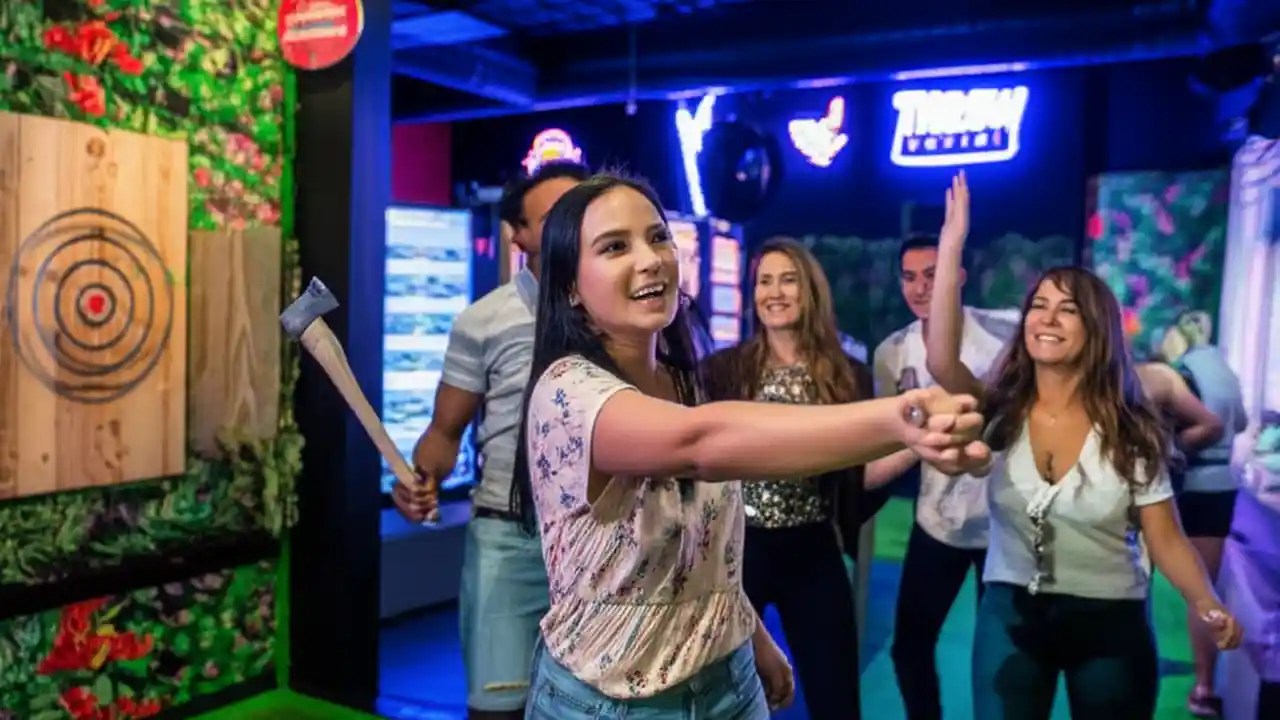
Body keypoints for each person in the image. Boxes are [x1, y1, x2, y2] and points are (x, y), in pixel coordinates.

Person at [510, 172, 992, 719]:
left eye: (658, 237)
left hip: (728, 681)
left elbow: (699, 547)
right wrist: (901, 418)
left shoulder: (686, 381)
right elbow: (701, 443)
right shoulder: (568, 392)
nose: (649, 259)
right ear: (570, 285)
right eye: (615, 246)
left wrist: (751, 636)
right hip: (610, 700)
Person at [924, 172, 1243, 719]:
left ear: (1095, 329)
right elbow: (941, 364)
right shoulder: (1002, 413)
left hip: (1111, 621)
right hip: (1011, 614)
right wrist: (951, 246)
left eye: (1066, 309)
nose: (1046, 319)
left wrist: (1206, 602)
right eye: (1038, 305)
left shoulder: (1131, 427)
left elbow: (1166, 540)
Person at [393, 162, 589, 720]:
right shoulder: (483, 321)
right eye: (553, 218)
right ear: (519, 234)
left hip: (599, 540)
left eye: (580, 212)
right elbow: (443, 432)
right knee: (497, 708)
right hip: (509, 539)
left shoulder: (616, 318)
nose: (569, 229)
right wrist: (419, 482)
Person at [702, 237, 915, 720]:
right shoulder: (723, 372)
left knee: (837, 698)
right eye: (764, 281)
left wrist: (914, 447)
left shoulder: (846, 377)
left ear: (810, 290)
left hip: (813, 548)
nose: (774, 292)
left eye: (788, 279)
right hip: (738, 552)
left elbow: (857, 477)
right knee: (720, 697)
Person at [872, 233, 1019, 720]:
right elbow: (889, 440)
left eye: (932, 274)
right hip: (938, 522)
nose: (919, 288)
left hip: (1005, 524)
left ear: (958, 273)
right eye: (909, 277)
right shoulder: (892, 352)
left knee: (1003, 659)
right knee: (908, 646)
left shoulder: (1008, 333)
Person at [1157, 311, 1246, 718]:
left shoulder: (1183, 372)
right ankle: (1205, 682)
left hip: (1191, 484)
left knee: (1197, 589)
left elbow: (1187, 425)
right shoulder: (1226, 370)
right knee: (1206, 585)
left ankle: (1205, 685)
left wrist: (1168, 449)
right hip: (1223, 484)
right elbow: (1240, 422)